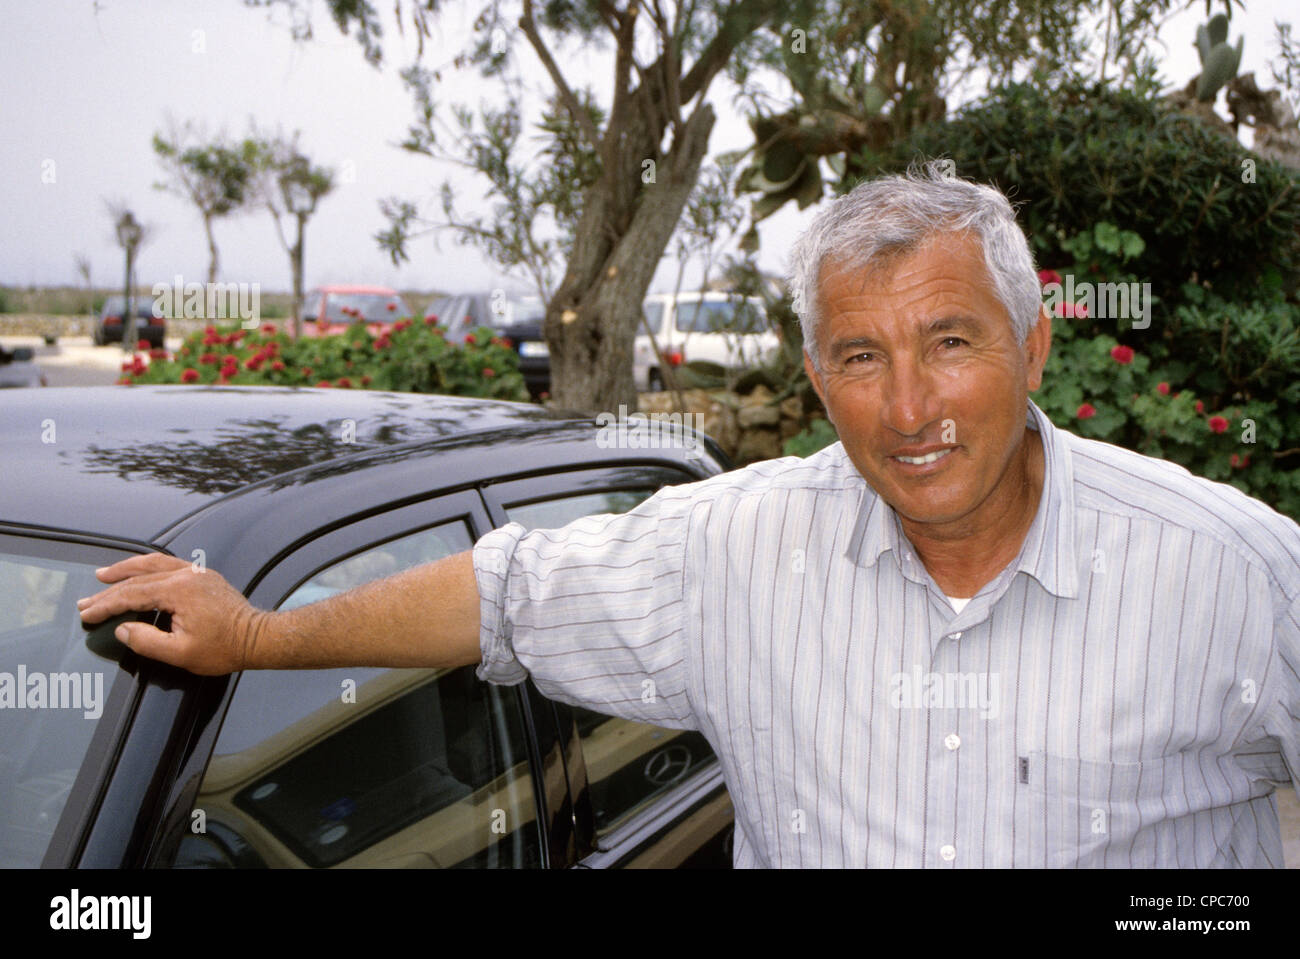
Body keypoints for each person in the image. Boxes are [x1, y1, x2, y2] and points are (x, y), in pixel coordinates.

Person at [77, 161, 1300, 868]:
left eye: (950, 342)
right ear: (816, 378)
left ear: (1033, 344)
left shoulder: (1234, 573)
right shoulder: (730, 550)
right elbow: (503, 595)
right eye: (860, 356)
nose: (910, 404)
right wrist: (256, 640)